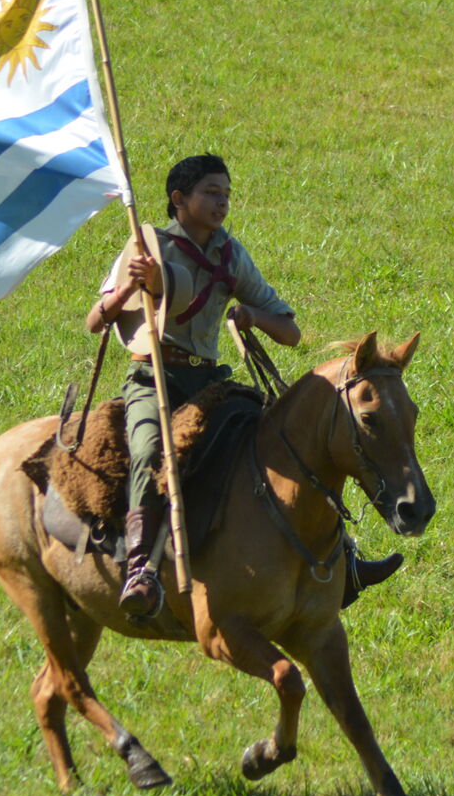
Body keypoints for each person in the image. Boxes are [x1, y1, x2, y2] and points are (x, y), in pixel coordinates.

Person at [86, 153, 401, 614]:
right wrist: (129, 291)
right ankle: (140, 571)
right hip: (152, 378)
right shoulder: (146, 246)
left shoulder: (231, 255)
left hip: (208, 380)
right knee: (150, 452)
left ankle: (345, 558)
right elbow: (96, 321)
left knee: (284, 445)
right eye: (212, 192)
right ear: (179, 199)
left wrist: (254, 315)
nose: (222, 203)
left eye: (227, 194)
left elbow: (290, 332)